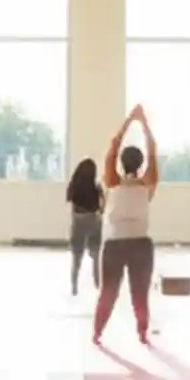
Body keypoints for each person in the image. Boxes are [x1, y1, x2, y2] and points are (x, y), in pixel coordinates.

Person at [93, 104, 158, 345]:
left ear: (121, 162)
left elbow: (112, 148)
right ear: (140, 164)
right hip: (141, 243)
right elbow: (153, 151)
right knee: (140, 295)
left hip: (115, 244)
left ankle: (97, 332)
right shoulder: (147, 184)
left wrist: (129, 121)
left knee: (108, 293)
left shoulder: (111, 181)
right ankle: (142, 331)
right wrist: (144, 125)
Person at [65, 157, 104, 295]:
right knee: (96, 257)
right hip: (93, 221)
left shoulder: (73, 187)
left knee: (76, 258)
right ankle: (98, 284)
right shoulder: (97, 188)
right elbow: (102, 209)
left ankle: (74, 287)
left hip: (78, 222)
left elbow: (72, 207)